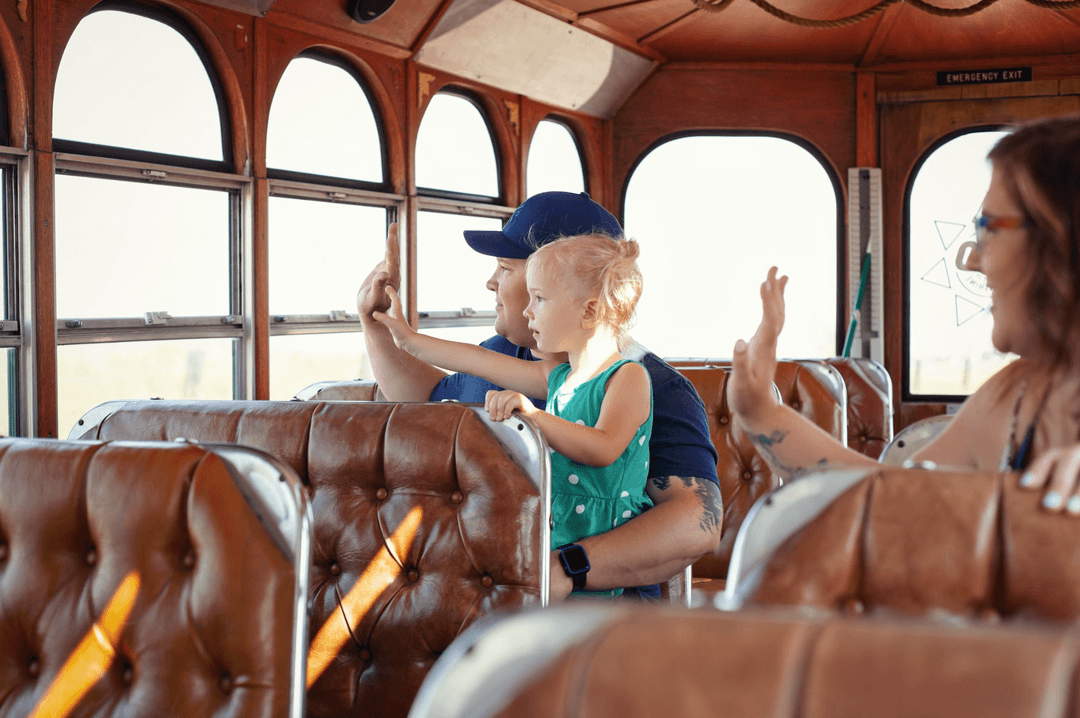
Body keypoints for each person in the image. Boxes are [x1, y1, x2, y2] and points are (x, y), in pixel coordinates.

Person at [357, 191, 721, 600]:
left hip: (604, 611)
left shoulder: (652, 385)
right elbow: (425, 396)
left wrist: (567, 567)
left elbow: (697, 522)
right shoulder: (505, 357)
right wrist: (376, 324)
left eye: (505, 268)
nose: (491, 282)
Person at [728, 115, 1080, 510]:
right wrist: (759, 409)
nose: (972, 261)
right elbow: (893, 497)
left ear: (1061, 238)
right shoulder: (1014, 397)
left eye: (989, 227)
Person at [373, 233, 654, 597]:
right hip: (555, 529)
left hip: (604, 543)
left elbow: (603, 448)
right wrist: (407, 339)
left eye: (540, 299)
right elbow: (479, 360)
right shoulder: (556, 378)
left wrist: (533, 416)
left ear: (590, 311)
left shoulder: (628, 377)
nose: (527, 311)